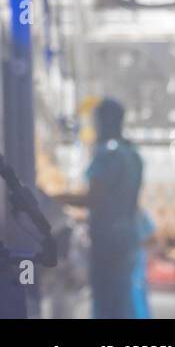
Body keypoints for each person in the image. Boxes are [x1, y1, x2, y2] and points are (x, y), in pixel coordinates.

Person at [59, 98, 144, 318]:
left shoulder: (108, 153)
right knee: (121, 299)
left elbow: (94, 197)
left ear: (104, 122)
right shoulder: (132, 154)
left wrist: (54, 197)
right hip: (127, 238)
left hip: (108, 241)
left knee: (107, 302)